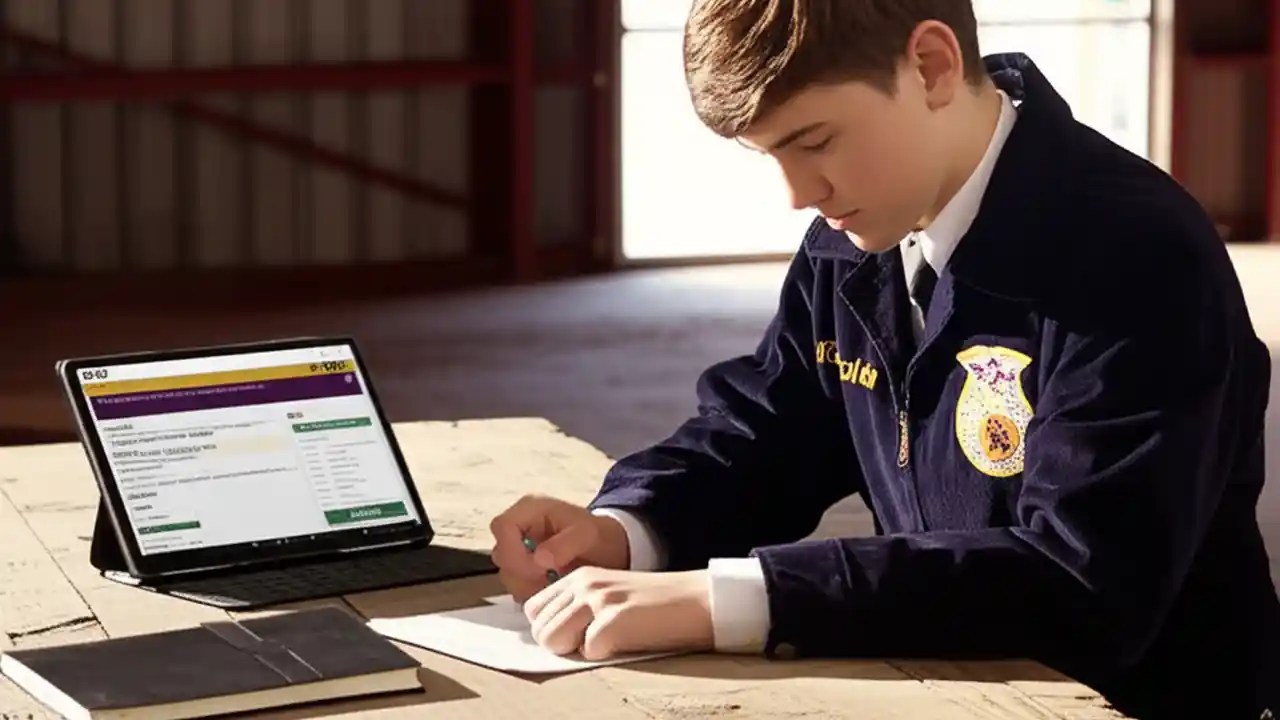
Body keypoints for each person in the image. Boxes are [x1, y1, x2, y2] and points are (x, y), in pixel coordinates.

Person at [487, 1, 1280, 717]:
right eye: (770, 156)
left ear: (931, 66)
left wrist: (739, 600)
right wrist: (630, 529)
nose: (798, 194)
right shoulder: (856, 239)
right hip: (949, 689)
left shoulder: (1136, 257)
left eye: (815, 141)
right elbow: (774, 427)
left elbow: (1083, 582)